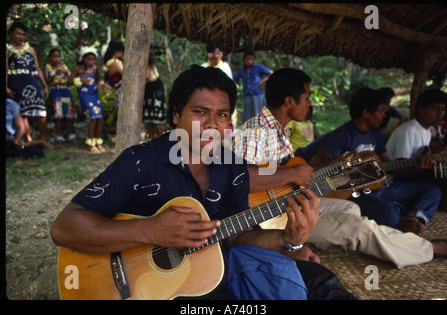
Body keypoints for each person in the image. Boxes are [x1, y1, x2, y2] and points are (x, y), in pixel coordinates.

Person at [51, 65, 355, 300]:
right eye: (200, 112)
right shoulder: (140, 161)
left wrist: (290, 239)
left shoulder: (231, 166)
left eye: (222, 114)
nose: (212, 124)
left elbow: (235, 238)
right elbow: (64, 227)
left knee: (320, 280)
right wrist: (149, 230)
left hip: (212, 273)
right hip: (153, 289)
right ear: (175, 116)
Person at [233, 69, 446, 269]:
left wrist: (329, 167)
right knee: (358, 227)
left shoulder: (278, 131)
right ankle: (430, 249)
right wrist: (292, 173)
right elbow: (238, 180)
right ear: (289, 101)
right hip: (272, 216)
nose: (310, 104)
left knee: (351, 210)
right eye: (307, 98)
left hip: (292, 203)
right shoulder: (256, 131)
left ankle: (330, 237)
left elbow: (286, 176)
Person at [309, 87, 442, 236]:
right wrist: (341, 163)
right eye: (380, 111)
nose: (384, 115)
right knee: (389, 214)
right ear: (366, 113)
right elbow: (319, 160)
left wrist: (416, 166)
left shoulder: (376, 133)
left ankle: (413, 217)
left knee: (432, 190)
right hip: (357, 192)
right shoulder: (344, 134)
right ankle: (404, 214)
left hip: (382, 186)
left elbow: (388, 165)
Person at [386, 89, 447, 209]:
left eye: (443, 109)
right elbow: (399, 171)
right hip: (393, 182)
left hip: (411, 175)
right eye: (435, 109)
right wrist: (418, 168)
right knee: (437, 187)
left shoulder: (427, 130)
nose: (440, 114)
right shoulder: (408, 131)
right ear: (421, 109)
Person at [6, 21, 49, 144]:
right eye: (18, 34)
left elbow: (37, 68)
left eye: (23, 34)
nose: (21, 37)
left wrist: (45, 86)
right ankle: (27, 140)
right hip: (15, 82)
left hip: (32, 81)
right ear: (11, 33)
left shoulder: (30, 49)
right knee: (23, 112)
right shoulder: (7, 50)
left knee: (40, 111)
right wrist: (5, 87)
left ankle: (44, 140)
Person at [68, 46, 105, 153]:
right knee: (92, 117)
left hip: (94, 95)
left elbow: (97, 80)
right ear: (83, 59)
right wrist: (80, 80)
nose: (91, 61)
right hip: (84, 96)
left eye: (93, 59)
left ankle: (98, 141)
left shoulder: (95, 69)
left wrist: (100, 85)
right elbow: (69, 81)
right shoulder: (78, 69)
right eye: (89, 59)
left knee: (99, 118)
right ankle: (90, 143)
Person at [44, 47, 77, 144]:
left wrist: (67, 75)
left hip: (66, 91)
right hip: (55, 92)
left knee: (69, 114)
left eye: (58, 56)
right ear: (50, 57)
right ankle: (59, 137)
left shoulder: (64, 67)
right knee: (57, 114)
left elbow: (70, 81)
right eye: (54, 56)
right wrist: (55, 73)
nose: (56, 59)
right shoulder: (48, 67)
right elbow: (46, 81)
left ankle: (72, 136)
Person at [233, 51, 273, 121]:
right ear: (244, 60)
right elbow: (234, 77)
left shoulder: (258, 67)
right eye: (247, 59)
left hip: (257, 95)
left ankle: (259, 131)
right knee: (248, 117)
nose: (249, 61)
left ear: (254, 59)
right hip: (247, 95)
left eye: (251, 59)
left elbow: (271, 73)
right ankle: (249, 131)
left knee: (258, 115)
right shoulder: (243, 70)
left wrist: (262, 81)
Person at [143, 55, 166, 139]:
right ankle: (152, 140)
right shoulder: (151, 65)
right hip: (152, 94)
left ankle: (159, 140)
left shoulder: (148, 66)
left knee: (156, 121)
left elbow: (146, 76)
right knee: (151, 120)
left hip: (154, 95)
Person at [103, 39, 124, 109]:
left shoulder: (110, 63)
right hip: (121, 93)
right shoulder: (115, 64)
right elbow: (127, 75)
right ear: (117, 52)